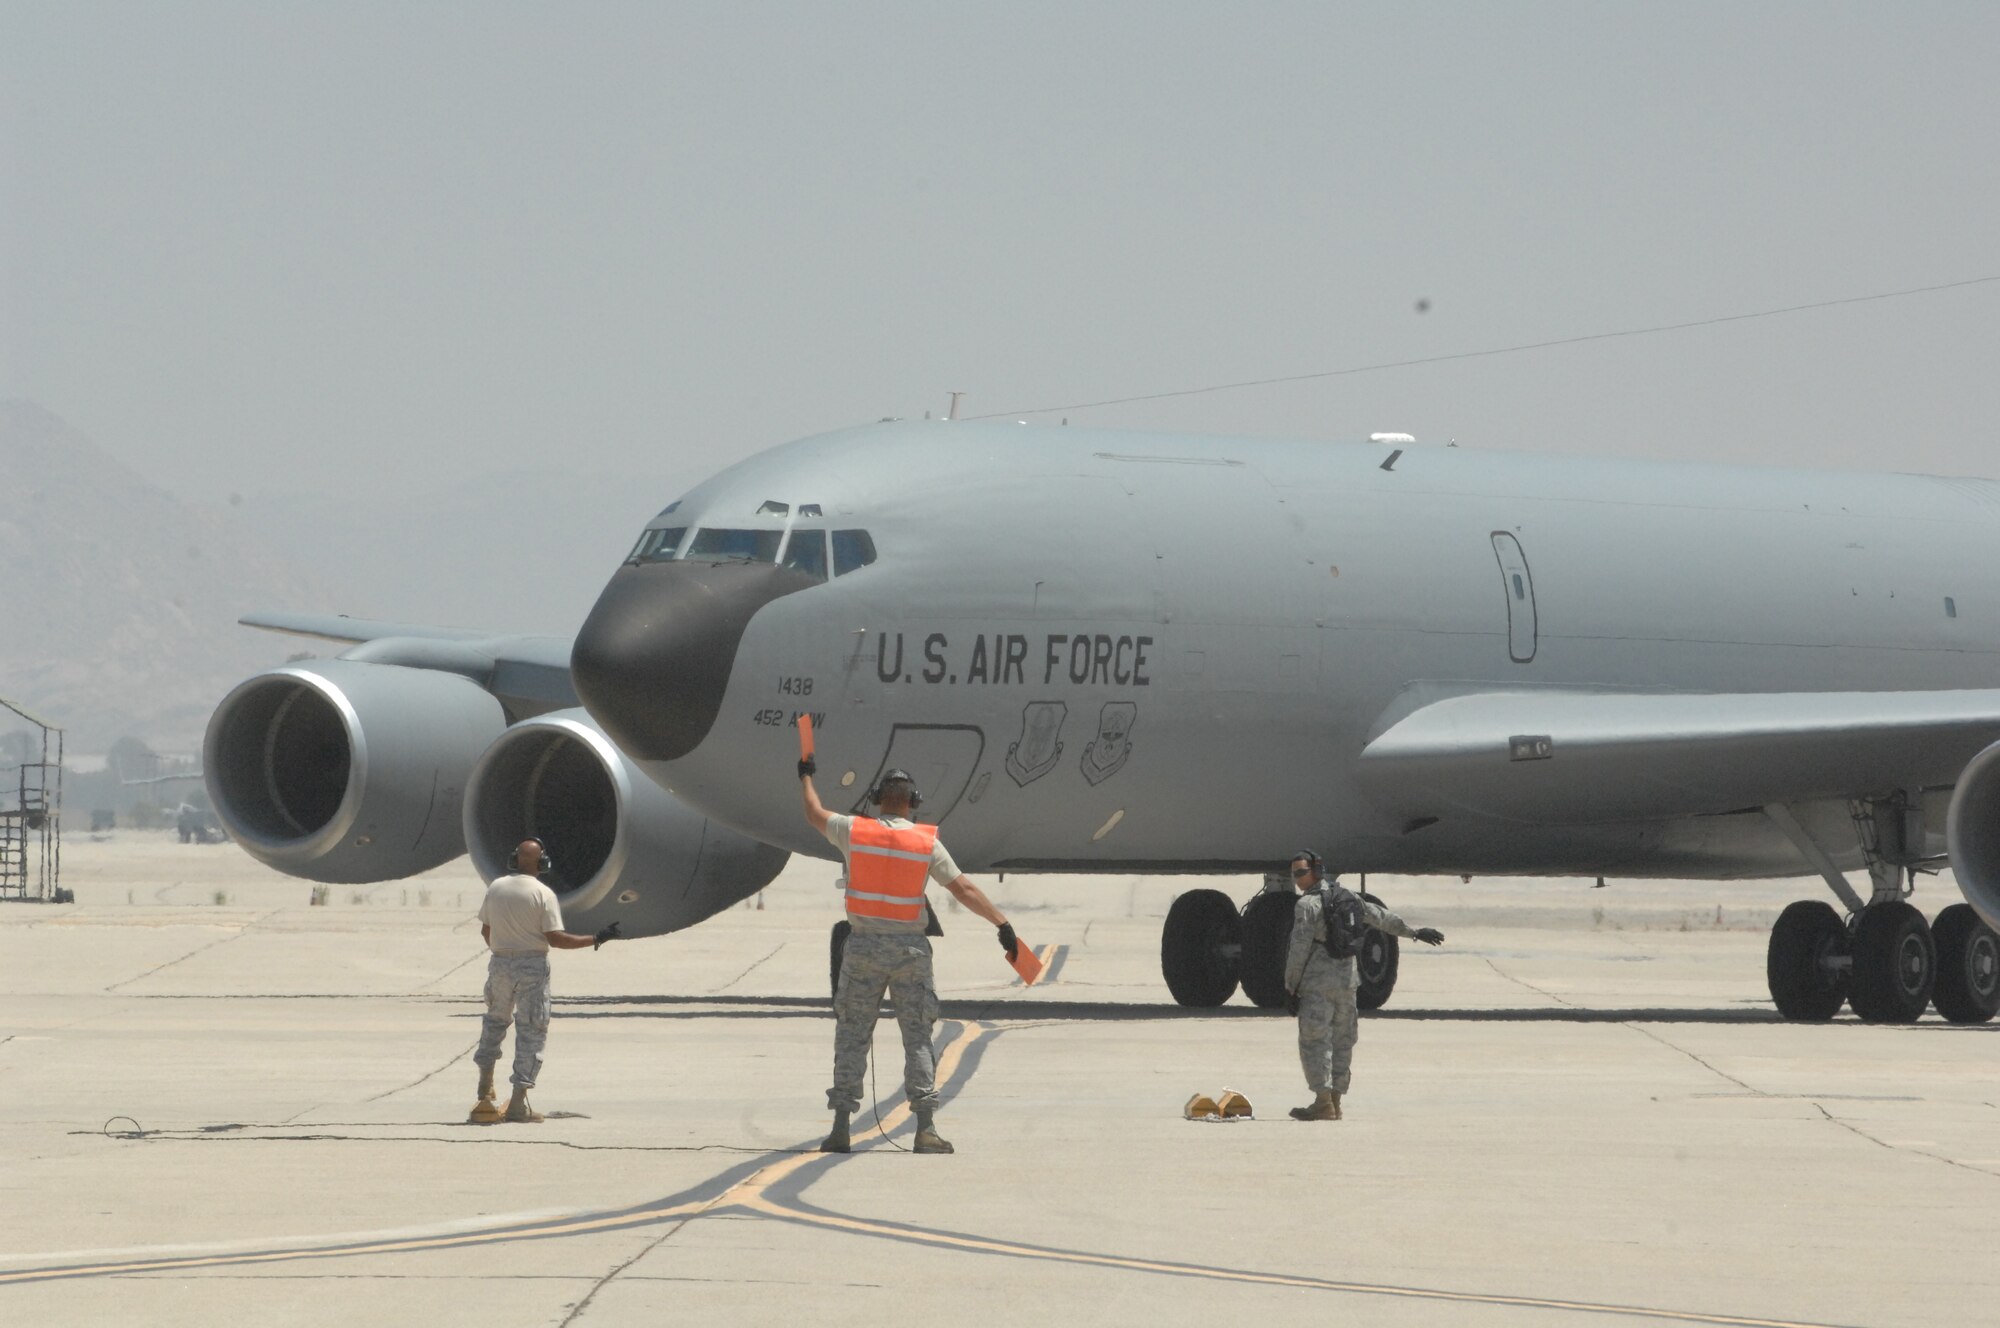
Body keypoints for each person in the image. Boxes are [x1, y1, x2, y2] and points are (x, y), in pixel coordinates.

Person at [800, 756, 1017, 1154]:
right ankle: (925, 1128)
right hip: (910, 952)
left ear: (878, 799)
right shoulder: (925, 842)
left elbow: (813, 813)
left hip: (863, 946)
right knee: (917, 1038)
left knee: (851, 1036)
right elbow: (963, 889)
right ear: (912, 802)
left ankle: (840, 1128)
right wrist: (1001, 923)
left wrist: (807, 775)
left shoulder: (855, 832)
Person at [1282, 851, 1444, 1121]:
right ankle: (1335, 1101)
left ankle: (1323, 1101)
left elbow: (1298, 950)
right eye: (1295, 874)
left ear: (1316, 871)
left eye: (1301, 873)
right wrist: (1413, 932)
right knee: (1343, 1041)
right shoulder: (1348, 897)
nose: (1297, 879)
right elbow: (1380, 917)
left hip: (1317, 985)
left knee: (1315, 1042)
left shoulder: (1307, 905)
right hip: (1347, 982)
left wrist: (1290, 986)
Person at [469, 838, 619, 1124]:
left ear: (515, 860)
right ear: (542, 863)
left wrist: (503, 950)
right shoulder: (543, 893)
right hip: (532, 966)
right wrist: (595, 939)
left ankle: (485, 1090)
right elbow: (557, 939)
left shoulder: (496, 887)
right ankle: (517, 1103)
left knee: (495, 1021)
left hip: (500, 963)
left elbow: (486, 931)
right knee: (531, 1030)